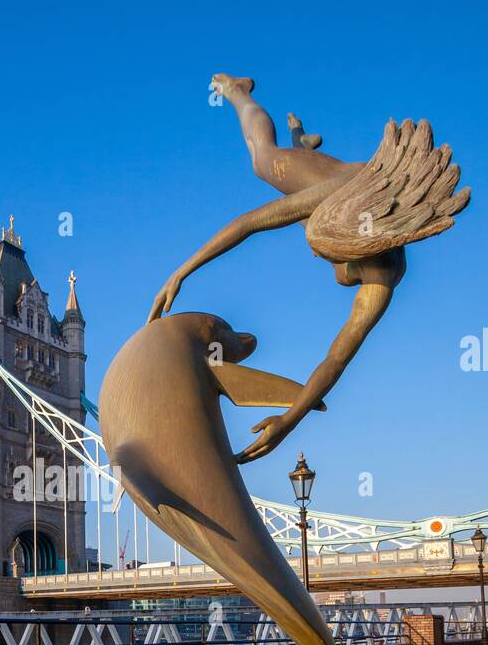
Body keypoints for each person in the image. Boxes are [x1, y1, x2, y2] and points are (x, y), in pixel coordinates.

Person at [148, 76, 466, 464]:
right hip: (338, 183)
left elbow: (335, 358)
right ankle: (239, 91)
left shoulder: (382, 279)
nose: (315, 259)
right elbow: (250, 223)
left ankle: (304, 144)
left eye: (324, 253)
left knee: (300, 184)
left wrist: (290, 419)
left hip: (350, 195)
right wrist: (181, 272)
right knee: (264, 160)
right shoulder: (331, 195)